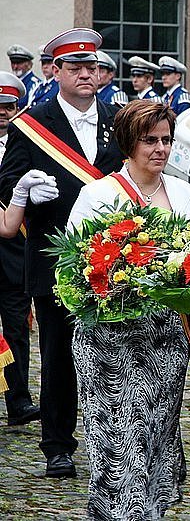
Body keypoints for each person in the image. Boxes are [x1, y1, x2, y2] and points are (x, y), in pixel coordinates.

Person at [64, 100, 190, 518]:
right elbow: (70, 269)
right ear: (128, 142)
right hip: (109, 343)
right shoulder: (98, 194)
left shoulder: (187, 195)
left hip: (165, 340)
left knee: (156, 440)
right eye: (149, 140)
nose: (159, 149)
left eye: (165, 140)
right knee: (118, 447)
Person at [0, 27, 126, 478]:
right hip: (54, 256)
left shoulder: (119, 119)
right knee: (58, 354)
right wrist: (24, 191)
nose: (86, 75)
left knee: (115, 353)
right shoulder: (32, 125)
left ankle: (116, 442)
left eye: (92, 67)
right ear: (55, 71)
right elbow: (5, 183)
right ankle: (58, 444)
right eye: (75, 68)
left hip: (116, 258)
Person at [0, 71, 60, 429]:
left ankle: (18, 399)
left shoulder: (31, 142)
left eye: (8, 107)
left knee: (17, 329)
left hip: (16, 250)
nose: (3, 113)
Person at [6, 44, 40, 109]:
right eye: (13, 63)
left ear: (29, 64)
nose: (15, 67)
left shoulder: (35, 85)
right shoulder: (11, 82)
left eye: (19, 63)